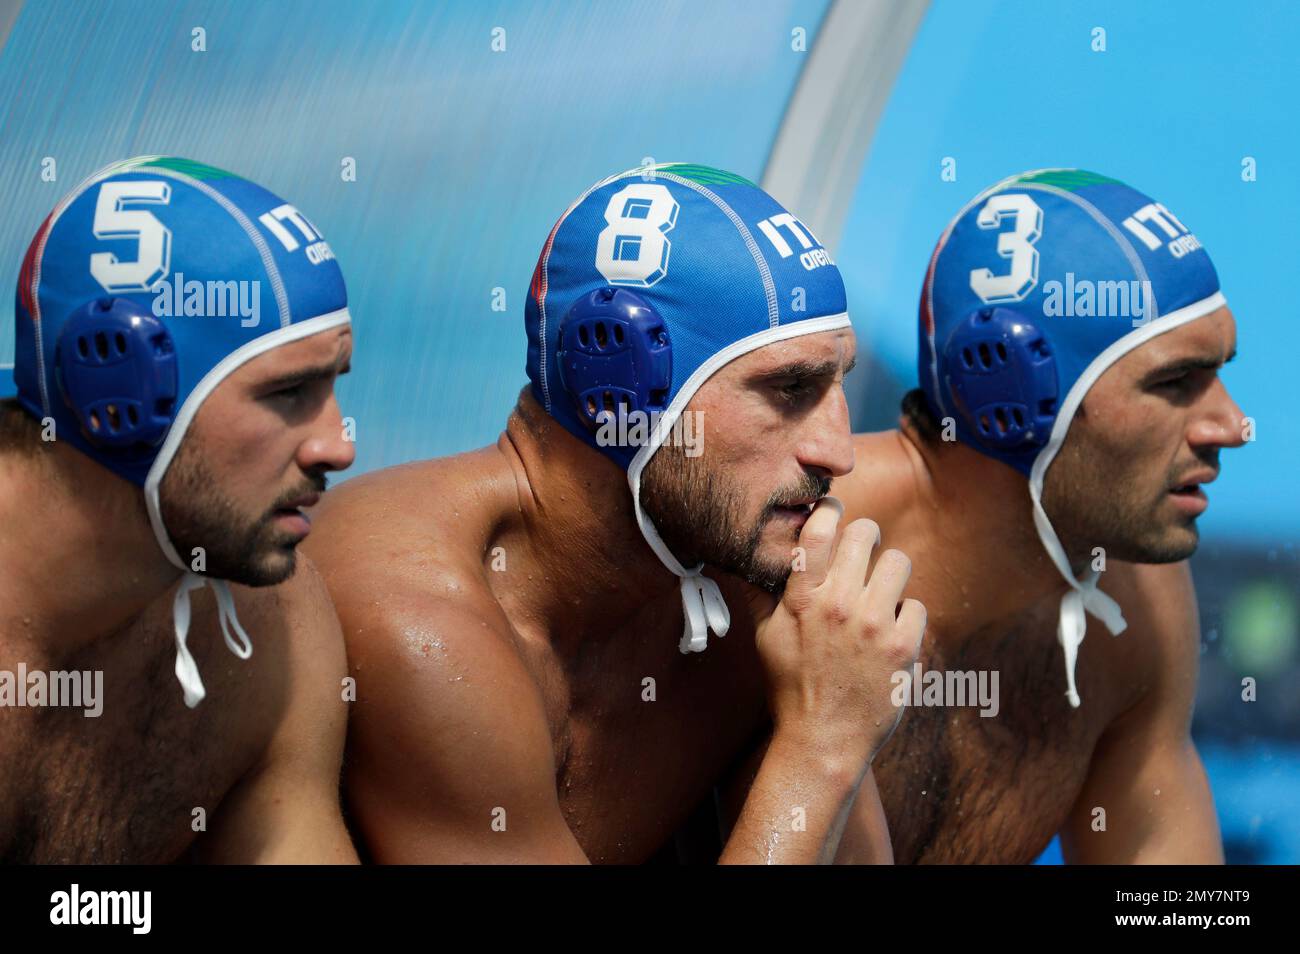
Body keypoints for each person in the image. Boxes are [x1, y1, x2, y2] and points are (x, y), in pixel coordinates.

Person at [305, 163, 924, 864]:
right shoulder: (421, 625)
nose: (838, 453)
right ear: (621, 389)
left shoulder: (740, 598)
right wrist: (821, 749)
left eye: (835, 385)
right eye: (790, 389)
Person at [755, 168, 1238, 863]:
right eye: (1177, 382)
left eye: (1221, 373)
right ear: (1011, 392)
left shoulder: (1138, 613)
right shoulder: (790, 547)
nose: (1231, 423)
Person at [0, 156, 358, 863]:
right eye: (290, 393)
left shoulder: (270, 630)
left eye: (333, 386)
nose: (337, 446)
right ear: (123, 397)